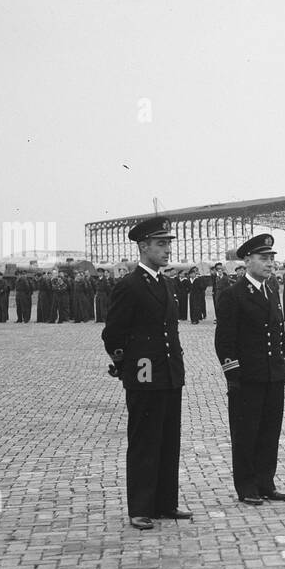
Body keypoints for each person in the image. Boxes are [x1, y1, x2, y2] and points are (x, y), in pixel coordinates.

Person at [100, 216, 190, 530]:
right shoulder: (129, 285)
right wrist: (128, 367)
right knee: (144, 442)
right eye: (161, 244)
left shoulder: (165, 283)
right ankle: (140, 507)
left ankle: (165, 504)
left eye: (168, 244)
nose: (167, 250)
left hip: (169, 373)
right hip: (144, 375)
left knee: (168, 440)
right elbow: (113, 334)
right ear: (143, 246)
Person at [214, 233, 285, 506]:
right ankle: (247, 486)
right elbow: (224, 341)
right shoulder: (232, 295)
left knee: (270, 432)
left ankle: (265, 483)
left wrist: (283, 363)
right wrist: (233, 374)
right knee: (246, 433)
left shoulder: (270, 291)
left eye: (272, 258)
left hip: (272, 375)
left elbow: (278, 332)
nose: (270, 263)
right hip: (248, 377)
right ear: (247, 260)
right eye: (264, 258)